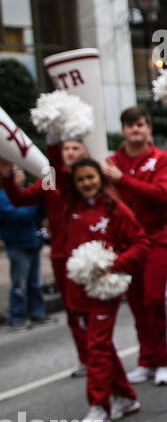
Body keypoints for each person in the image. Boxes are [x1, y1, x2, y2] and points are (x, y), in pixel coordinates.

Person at [63, 158, 149, 422]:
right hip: (79, 290)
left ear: (100, 178)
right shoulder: (69, 208)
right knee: (98, 345)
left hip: (104, 290)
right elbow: (51, 172)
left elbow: (141, 243)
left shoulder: (115, 209)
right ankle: (125, 396)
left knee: (97, 347)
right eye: (80, 180)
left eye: (91, 177)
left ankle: (100, 406)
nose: (87, 183)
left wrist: (114, 265)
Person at [105, 106, 167, 386]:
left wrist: (123, 180)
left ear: (149, 128)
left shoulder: (163, 159)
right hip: (127, 243)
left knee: (155, 299)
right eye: (130, 125)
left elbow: (162, 193)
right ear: (123, 130)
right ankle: (147, 359)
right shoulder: (111, 161)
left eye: (140, 124)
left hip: (158, 238)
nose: (135, 130)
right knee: (137, 304)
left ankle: (164, 360)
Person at [2, 138, 87, 368]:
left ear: (85, 152)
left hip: (90, 254)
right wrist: (8, 175)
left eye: (75, 148)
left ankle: (102, 356)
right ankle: (86, 359)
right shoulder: (50, 181)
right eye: (65, 148)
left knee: (94, 311)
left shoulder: (91, 177)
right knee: (72, 311)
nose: (69, 152)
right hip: (61, 255)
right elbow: (20, 200)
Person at [0, 184, 46, 329]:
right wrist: (33, 204)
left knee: (35, 283)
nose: (20, 174)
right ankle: (16, 317)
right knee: (19, 284)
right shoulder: (3, 195)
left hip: (32, 241)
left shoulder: (26, 192)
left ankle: (37, 313)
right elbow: (16, 215)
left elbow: (41, 214)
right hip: (16, 244)